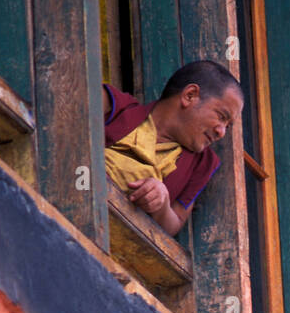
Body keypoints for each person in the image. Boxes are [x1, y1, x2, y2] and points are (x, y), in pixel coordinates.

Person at [103, 60, 243, 236]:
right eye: (222, 116)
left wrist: (161, 205)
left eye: (227, 126)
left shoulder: (200, 165)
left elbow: (174, 224)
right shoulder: (116, 107)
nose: (221, 132)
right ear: (190, 95)